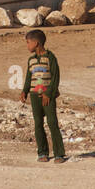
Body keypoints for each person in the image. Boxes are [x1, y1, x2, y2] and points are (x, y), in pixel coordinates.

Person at [21, 28, 66, 163]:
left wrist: (48, 93)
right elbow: (29, 78)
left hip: (47, 96)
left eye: (28, 42)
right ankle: (42, 152)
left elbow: (55, 77)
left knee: (52, 123)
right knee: (38, 124)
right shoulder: (31, 60)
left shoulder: (50, 58)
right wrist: (24, 91)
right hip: (35, 96)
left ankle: (59, 154)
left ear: (36, 43)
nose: (27, 45)